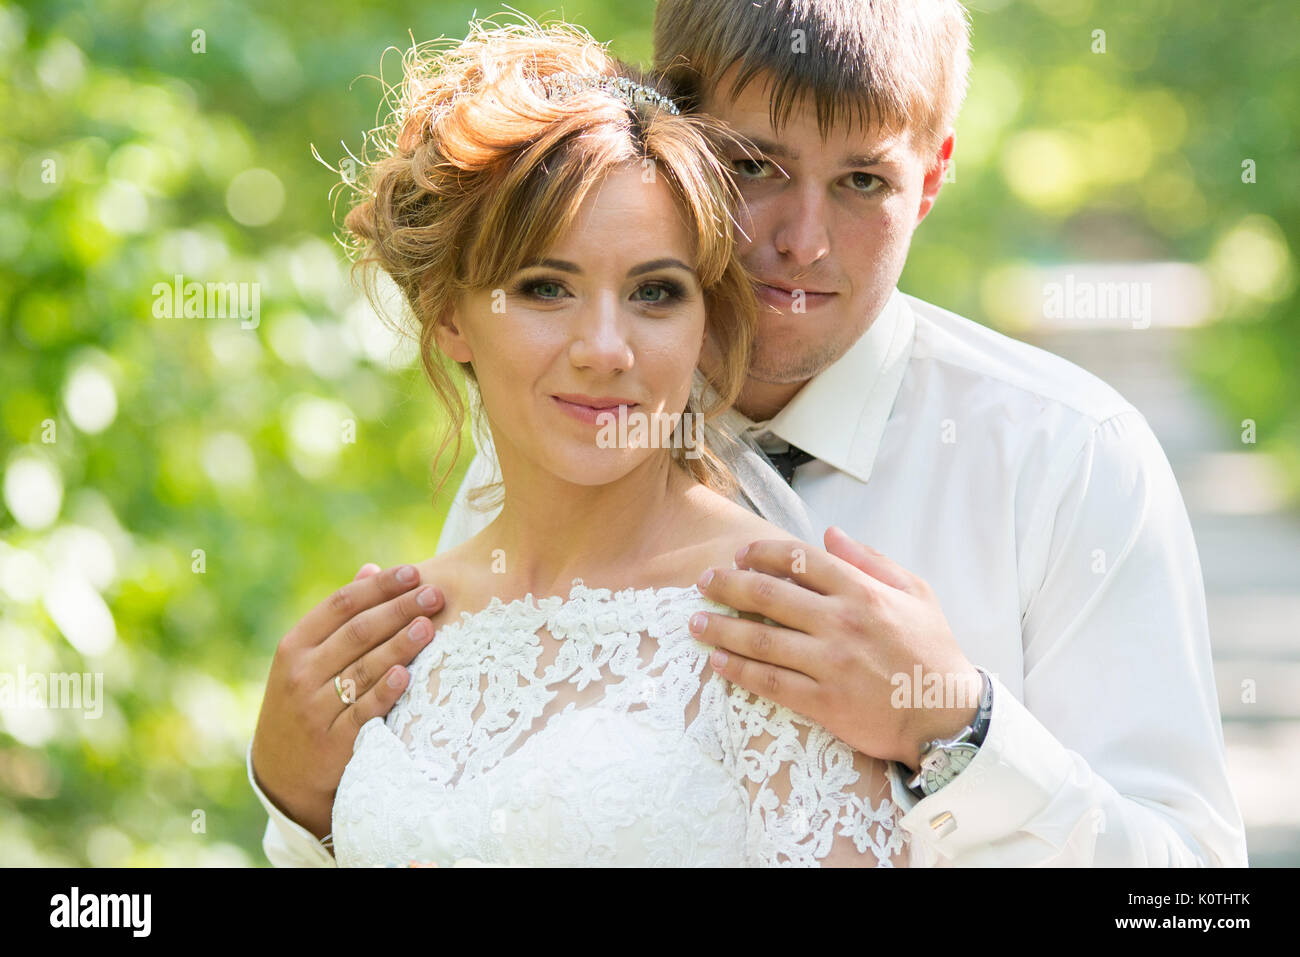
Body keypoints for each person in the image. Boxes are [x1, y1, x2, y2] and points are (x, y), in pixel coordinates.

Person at [251, 0, 1249, 867]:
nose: (800, 242)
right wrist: (298, 801)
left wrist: (955, 728)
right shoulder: (559, 434)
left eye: (862, 182)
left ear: (933, 177)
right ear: (676, 141)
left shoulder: (1067, 459)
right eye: (756, 166)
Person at [251, 18, 912, 867]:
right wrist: (291, 792)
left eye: (655, 292)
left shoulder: (773, 627)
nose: (605, 347)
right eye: (545, 287)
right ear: (452, 314)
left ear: (705, 318)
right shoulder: (399, 634)